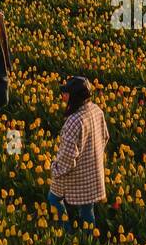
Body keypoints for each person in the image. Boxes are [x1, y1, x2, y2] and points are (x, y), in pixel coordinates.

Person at [47, 76, 110, 231]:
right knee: (87, 208)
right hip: (93, 172)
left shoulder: (74, 121)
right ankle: (90, 239)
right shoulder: (96, 110)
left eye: (66, 93)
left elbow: (68, 157)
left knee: (53, 198)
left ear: (74, 97)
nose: (63, 96)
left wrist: (55, 169)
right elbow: (105, 136)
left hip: (76, 174)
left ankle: (66, 231)